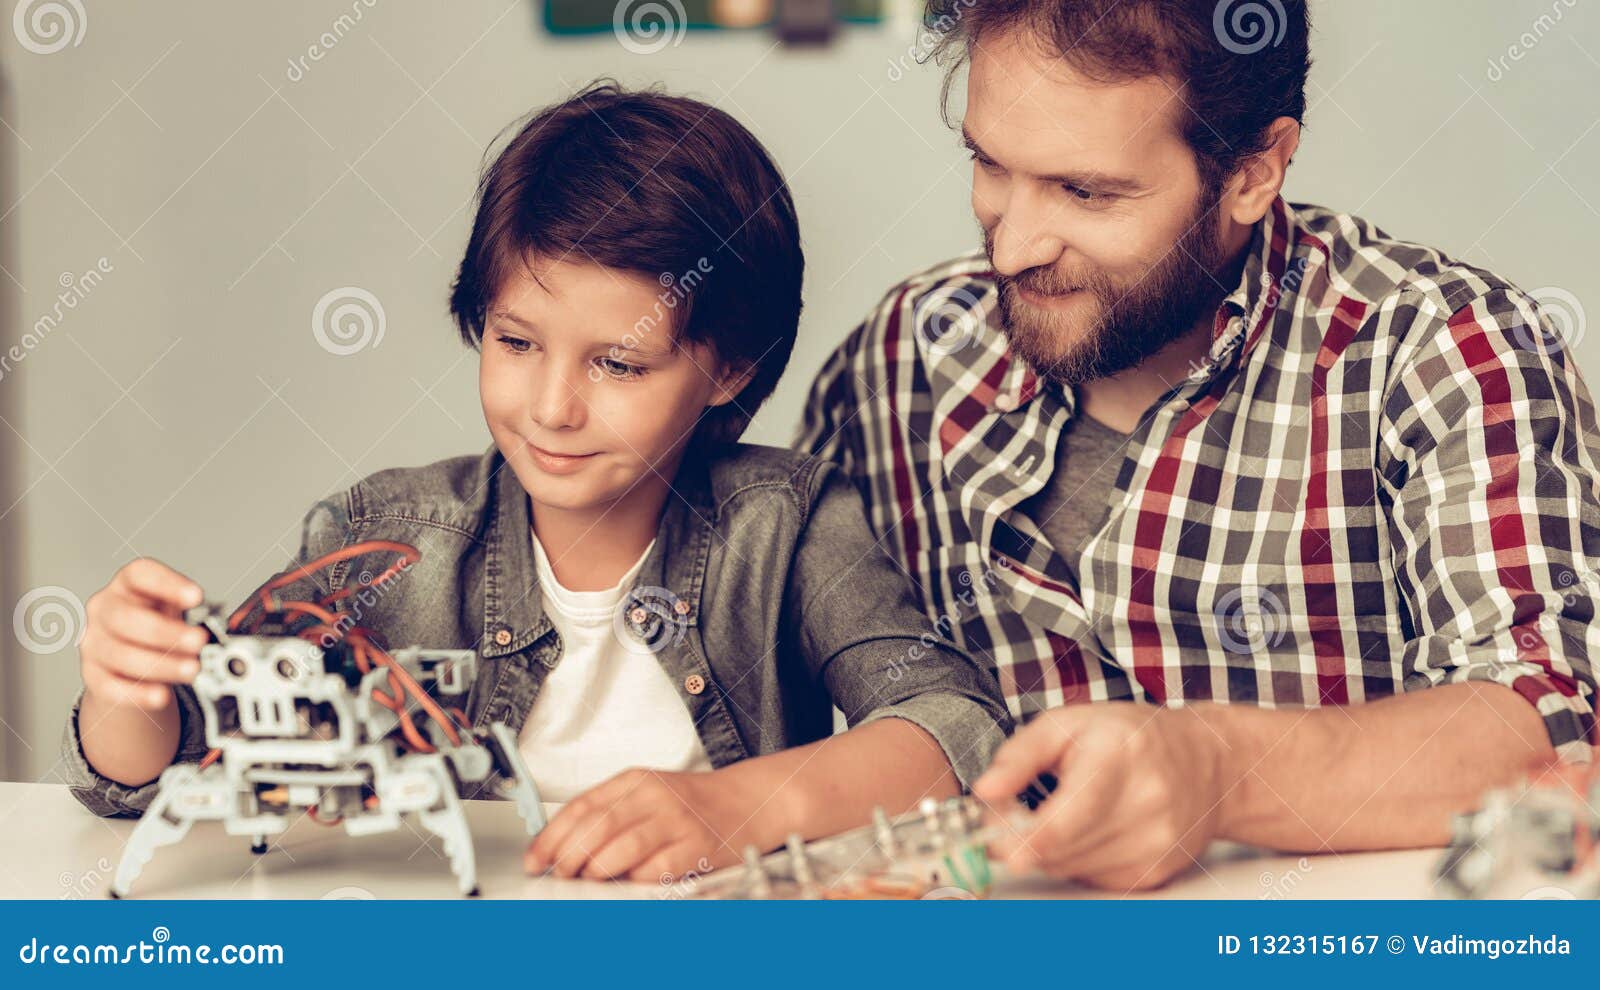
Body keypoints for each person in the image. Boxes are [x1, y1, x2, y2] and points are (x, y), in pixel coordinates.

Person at [62, 81, 1012, 883]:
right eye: (516, 343)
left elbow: (955, 724)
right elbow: (152, 775)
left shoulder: (790, 527)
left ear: (729, 369)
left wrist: (736, 807)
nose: (552, 408)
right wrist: (132, 690)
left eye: (618, 364)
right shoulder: (385, 537)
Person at [800, 0, 1597, 890]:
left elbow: (1550, 717)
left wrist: (1217, 773)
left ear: (1253, 173)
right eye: (989, 164)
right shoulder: (904, 353)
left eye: (1085, 192)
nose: (1013, 248)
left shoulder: (1444, 346)